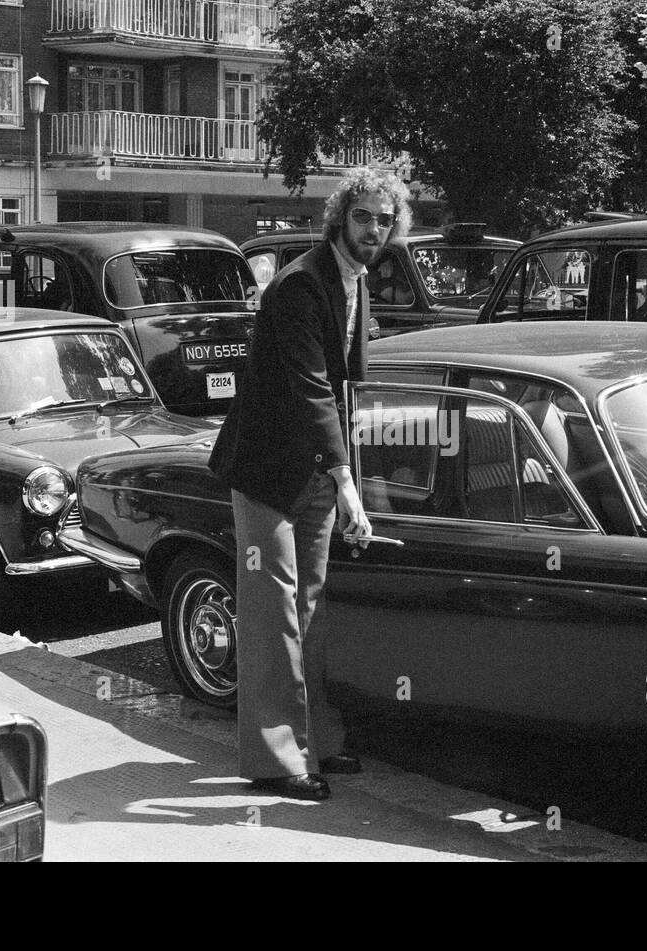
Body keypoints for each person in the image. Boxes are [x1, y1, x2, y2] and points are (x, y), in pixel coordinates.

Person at [209, 167, 413, 801]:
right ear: (340, 218)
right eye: (364, 217)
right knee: (274, 617)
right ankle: (277, 762)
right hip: (268, 472)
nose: (374, 230)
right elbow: (312, 389)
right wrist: (348, 481)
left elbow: (348, 391)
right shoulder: (300, 285)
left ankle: (318, 741)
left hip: (315, 472)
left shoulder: (354, 281)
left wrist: (346, 475)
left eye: (385, 220)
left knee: (312, 611)